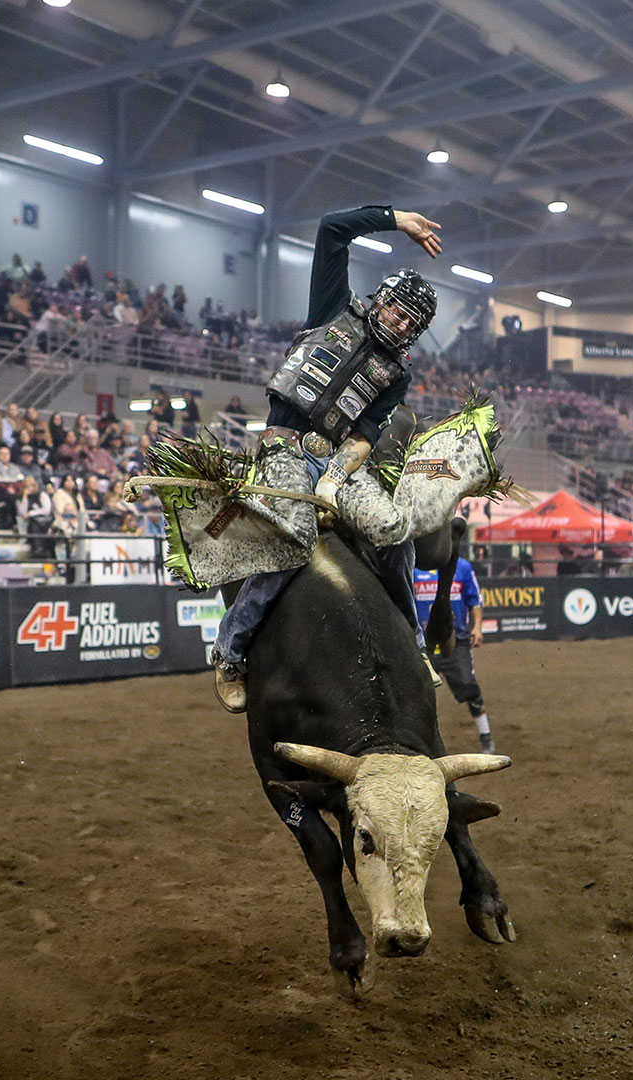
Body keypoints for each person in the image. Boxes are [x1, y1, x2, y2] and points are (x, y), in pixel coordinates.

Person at [208, 204, 445, 712]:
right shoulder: (333, 305)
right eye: (396, 308)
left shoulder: (397, 374)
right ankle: (229, 652)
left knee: (396, 532)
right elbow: (331, 230)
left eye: (409, 320)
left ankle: (414, 643)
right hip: (284, 444)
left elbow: (364, 434)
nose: (398, 320)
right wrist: (395, 219)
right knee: (293, 537)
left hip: (337, 462)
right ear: (381, 299)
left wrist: (334, 478)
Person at [415, 549, 496, 752]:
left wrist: (477, 627)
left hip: (455, 639)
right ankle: (420, 744)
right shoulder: (414, 567)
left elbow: (475, 600)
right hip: (422, 644)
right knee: (417, 694)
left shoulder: (463, 567)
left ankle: (486, 735)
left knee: (469, 686)